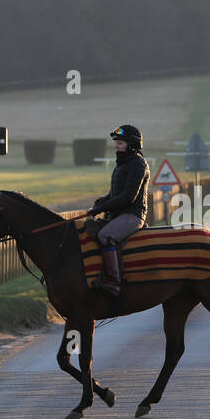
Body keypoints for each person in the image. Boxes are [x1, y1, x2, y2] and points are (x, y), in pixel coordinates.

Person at [86, 124, 150, 296]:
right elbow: (115, 194)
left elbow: (127, 197)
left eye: (120, 142)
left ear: (132, 144)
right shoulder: (121, 165)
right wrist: (101, 202)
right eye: (116, 142)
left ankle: (114, 281)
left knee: (105, 236)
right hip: (119, 215)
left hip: (133, 216)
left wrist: (102, 207)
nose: (116, 145)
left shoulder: (138, 164)